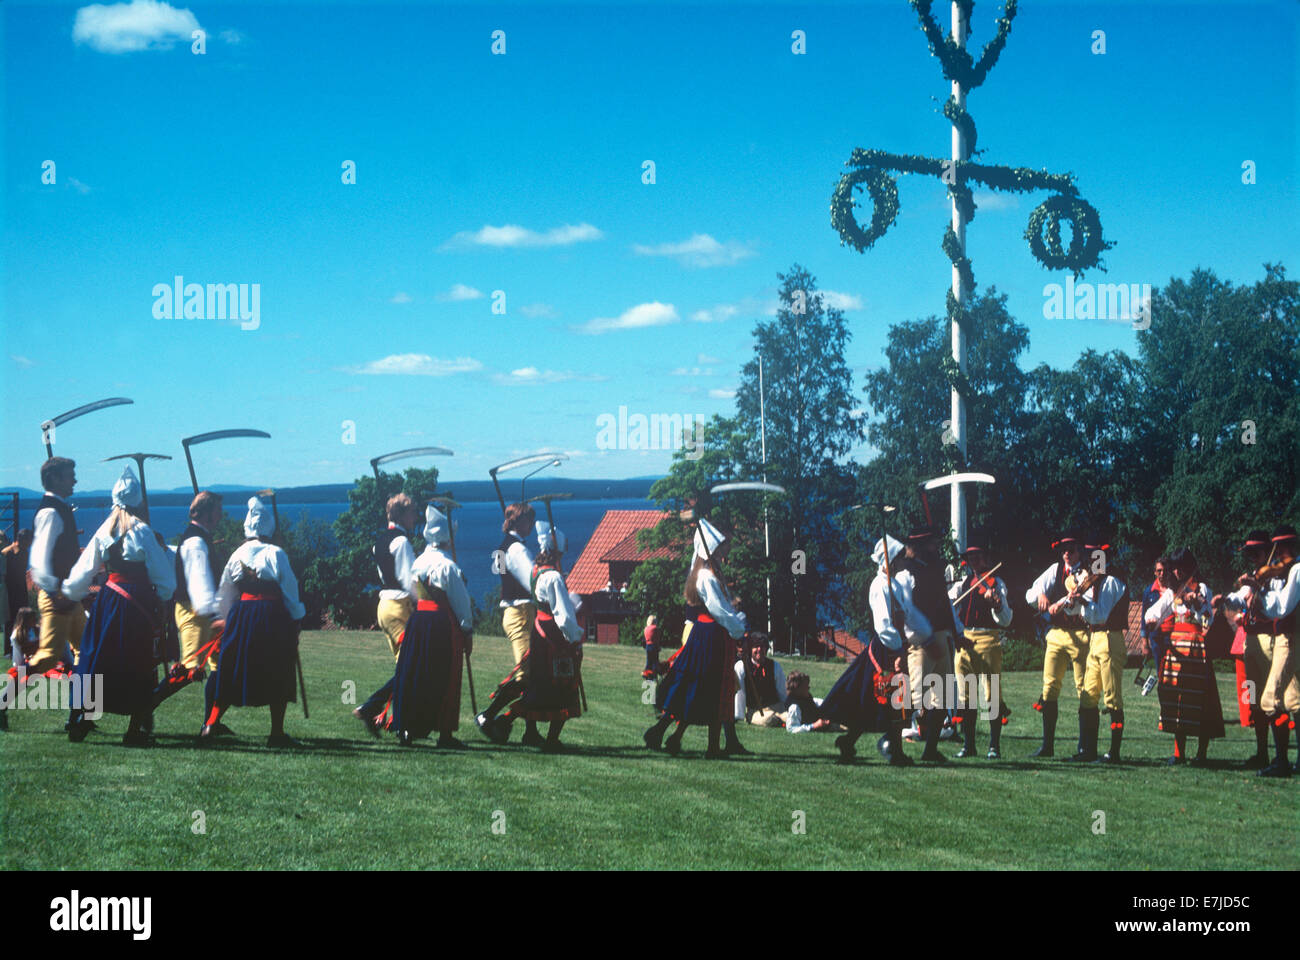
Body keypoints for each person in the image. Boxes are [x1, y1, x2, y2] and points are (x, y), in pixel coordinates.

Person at [63, 467, 176, 746]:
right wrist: (163, 595)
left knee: (98, 659)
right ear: (138, 502)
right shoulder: (143, 531)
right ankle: (135, 728)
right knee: (137, 662)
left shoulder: (104, 530)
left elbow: (83, 569)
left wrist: (71, 591)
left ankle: (83, 717)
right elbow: (164, 576)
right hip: (137, 602)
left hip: (108, 601)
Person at [202, 496, 306, 747]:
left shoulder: (237, 554)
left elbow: (226, 591)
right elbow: (290, 588)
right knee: (278, 668)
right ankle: (276, 733)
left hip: (242, 615)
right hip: (272, 616)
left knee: (231, 668)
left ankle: (211, 723)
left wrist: (224, 617)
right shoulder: (276, 553)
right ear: (269, 527)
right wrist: (297, 616)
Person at [643, 518, 749, 758]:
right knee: (711, 688)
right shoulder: (707, 577)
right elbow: (719, 610)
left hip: (706, 635)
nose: (723, 554)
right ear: (709, 551)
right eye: (719, 550)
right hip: (711, 637)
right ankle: (710, 747)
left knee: (702, 688)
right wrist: (739, 629)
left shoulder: (705, 573)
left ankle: (673, 736)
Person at [821, 535, 915, 766]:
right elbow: (883, 624)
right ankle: (876, 747)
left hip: (896, 648)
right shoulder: (879, 586)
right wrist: (898, 650)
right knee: (881, 699)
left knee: (895, 700)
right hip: (885, 650)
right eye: (899, 559)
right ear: (890, 560)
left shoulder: (894, 584)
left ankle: (887, 748)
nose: (903, 563)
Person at [388, 503, 473, 748]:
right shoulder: (448, 566)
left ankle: (407, 727)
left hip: (418, 621)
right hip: (441, 623)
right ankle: (444, 733)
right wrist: (467, 629)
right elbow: (461, 603)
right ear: (449, 538)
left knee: (415, 672)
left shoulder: (420, 561)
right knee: (445, 675)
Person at [496, 520, 583, 752]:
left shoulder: (536, 571)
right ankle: (551, 738)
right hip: (555, 638)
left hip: (539, 632)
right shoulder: (553, 577)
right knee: (564, 686)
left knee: (539, 684)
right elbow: (563, 615)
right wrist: (575, 638)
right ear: (557, 552)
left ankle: (513, 722)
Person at [894, 526, 970, 762]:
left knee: (943, 696)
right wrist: (922, 641)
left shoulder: (935, 570)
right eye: (932, 544)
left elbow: (945, 605)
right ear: (918, 548)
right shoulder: (904, 573)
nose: (936, 547)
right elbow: (905, 611)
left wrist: (957, 633)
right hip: (918, 642)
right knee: (914, 698)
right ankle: (894, 747)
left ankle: (930, 750)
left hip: (940, 637)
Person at [1146, 547, 1223, 766]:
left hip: (1197, 648)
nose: (1177, 572)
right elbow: (1157, 610)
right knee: (1177, 698)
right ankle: (1178, 752)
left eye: (1181, 568)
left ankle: (1201, 753)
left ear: (1190, 567)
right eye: (1175, 568)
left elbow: (1207, 618)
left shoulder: (1201, 588)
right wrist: (1151, 619)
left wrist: (1195, 602)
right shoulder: (1173, 591)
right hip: (1177, 648)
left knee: (1200, 699)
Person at [1235, 524, 1300, 777]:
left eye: (1280, 547)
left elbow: (1281, 608)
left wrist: (1259, 590)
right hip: (1272, 638)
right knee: (1290, 699)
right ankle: (1272, 755)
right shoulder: (1284, 572)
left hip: (1284, 638)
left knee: (1268, 698)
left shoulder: (1294, 570)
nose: (1277, 553)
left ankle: (1280, 761)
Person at [474, 502, 541, 744]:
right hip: (522, 612)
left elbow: (499, 571)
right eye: (529, 521)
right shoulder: (517, 550)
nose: (532, 525)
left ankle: (530, 732)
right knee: (526, 675)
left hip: (512, 612)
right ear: (519, 522)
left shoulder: (502, 548)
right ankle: (488, 716)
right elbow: (532, 582)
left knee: (532, 674)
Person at [352, 493, 419, 736]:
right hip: (400, 607)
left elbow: (386, 576)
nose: (416, 517)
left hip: (384, 606)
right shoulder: (401, 542)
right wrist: (423, 603)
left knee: (405, 667)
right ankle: (381, 713)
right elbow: (408, 578)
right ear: (402, 514)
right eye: (413, 512)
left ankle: (391, 718)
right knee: (409, 668)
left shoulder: (378, 541)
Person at [1024, 530, 1094, 759]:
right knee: (1049, 687)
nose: (1066, 554)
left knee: (1084, 689)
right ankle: (1047, 746)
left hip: (1081, 635)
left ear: (1079, 551)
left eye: (1071, 550)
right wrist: (1041, 597)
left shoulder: (1089, 573)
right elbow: (1030, 593)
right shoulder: (1054, 570)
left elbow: (1088, 598)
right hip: (1056, 634)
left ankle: (1085, 748)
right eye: (1063, 550)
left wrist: (1070, 601)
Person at [1216, 530, 1276, 768]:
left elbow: (1276, 604)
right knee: (1254, 698)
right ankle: (1262, 752)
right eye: (1250, 553)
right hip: (1249, 642)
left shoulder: (1276, 576)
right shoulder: (1254, 576)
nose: (1253, 557)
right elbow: (1240, 598)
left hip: (1268, 638)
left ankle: (1280, 754)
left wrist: (1257, 586)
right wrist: (1226, 599)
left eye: (1256, 552)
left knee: (1274, 697)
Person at [949, 542, 1012, 759]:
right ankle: (969, 745)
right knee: (965, 695)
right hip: (965, 639)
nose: (974, 561)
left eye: (978, 557)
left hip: (988, 639)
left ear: (985, 558)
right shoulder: (963, 584)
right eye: (970, 558)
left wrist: (996, 605)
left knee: (991, 693)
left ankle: (994, 746)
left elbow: (1006, 619)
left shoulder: (997, 583)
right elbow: (948, 603)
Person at [172, 491, 228, 728]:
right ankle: (143, 711)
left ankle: (210, 723)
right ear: (207, 513)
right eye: (217, 510)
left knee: (221, 667)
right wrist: (214, 613)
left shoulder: (201, 538)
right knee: (187, 672)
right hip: (195, 611)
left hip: (204, 611)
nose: (221, 515)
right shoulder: (196, 541)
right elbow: (199, 581)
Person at [1073, 541, 1130, 763]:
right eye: (1091, 558)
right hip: (1095, 638)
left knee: (1112, 697)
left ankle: (1114, 752)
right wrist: (1076, 602)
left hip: (1110, 637)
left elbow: (1101, 614)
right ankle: (1087, 750)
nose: (1092, 562)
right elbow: (1087, 614)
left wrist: (1082, 603)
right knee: (1088, 695)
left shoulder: (1111, 583)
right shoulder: (1092, 583)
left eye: (1097, 558)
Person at [29, 457, 86, 673]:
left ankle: (81, 705)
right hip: (57, 597)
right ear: (54, 478)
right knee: (48, 658)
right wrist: (54, 593)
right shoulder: (50, 513)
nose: (75, 481)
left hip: (67, 595)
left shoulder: (58, 510)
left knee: (87, 649)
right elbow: (38, 560)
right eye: (70, 476)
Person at [1, 607, 40, 731]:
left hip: (31, 665)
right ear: (25, 620)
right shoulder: (17, 634)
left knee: (13, 691)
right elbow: (21, 655)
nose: (35, 620)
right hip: (21, 667)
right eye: (32, 619)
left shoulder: (34, 630)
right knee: (13, 690)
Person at [734, 637, 787, 726]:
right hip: (755, 710)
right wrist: (739, 715)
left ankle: (783, 720)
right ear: (750, 649)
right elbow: (740, 693)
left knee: (790, 716)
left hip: (775, 707)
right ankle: (778, 721)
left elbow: (782, 691)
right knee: (768, 719)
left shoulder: (774, 666)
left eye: (762, 647)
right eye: (756, 646)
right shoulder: (741, 666)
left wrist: (786, 707)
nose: (759, 650)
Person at [3, 528, 33, 643]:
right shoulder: (8, 552)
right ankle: (8, 649)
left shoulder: (24, 552)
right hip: (10, 590)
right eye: (28, 541)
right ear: (21, 540)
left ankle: (21, 642)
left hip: (20, 589)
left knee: (22, 617)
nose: (29, 544)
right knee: (10, 619)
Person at [642, 615, 662, 680]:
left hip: (648, 646)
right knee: (655, 662)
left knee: (649, 661)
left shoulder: (646, 629)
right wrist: (658, 646)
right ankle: (654, 676)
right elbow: (657, 638)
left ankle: (647, 673)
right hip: (654, 646)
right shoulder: (656, 628)